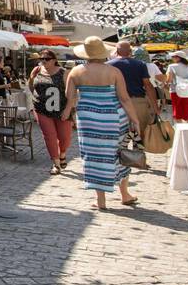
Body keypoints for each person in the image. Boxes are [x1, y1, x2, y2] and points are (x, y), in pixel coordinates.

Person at [62, 37, 141, 211]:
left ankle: (101, 200)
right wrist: (134, 119)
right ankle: (125, 194)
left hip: (88, 120)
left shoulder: (76, 72)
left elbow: (70, 98)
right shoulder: (114, 72)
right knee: (119, 153)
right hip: (114, 119)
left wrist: (68, 112)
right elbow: (125, 99)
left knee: (95, 156)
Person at [29, 50, 72, 174]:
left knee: (65, 137)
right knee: (49, 136)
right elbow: (31, 85)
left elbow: (71, 94)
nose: (43, 61)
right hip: (41, 109)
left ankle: (62, 153)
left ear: (54, 60)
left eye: (46, 59)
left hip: (61, 109)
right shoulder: (37, 71)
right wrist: (36, 97)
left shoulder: (64, 73)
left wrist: (68, 109)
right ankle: (56, 163)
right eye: (41, 58)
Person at [108, 41, 159, 132]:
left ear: (116, 51)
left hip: (116, 103)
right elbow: (148, 85)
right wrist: (155, 107)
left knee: (120, 134)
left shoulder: (108, 65)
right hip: (138, 101)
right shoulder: (140, 64)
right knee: (141, 132)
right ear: (130, 51)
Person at [166, 52, 188, 123]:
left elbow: (169, 80)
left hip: (176, 91)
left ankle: (179, 130)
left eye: (173, 56)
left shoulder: (171, 66)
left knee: (177, 111)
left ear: (178, 57)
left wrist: (165, 84)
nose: (172, 58)